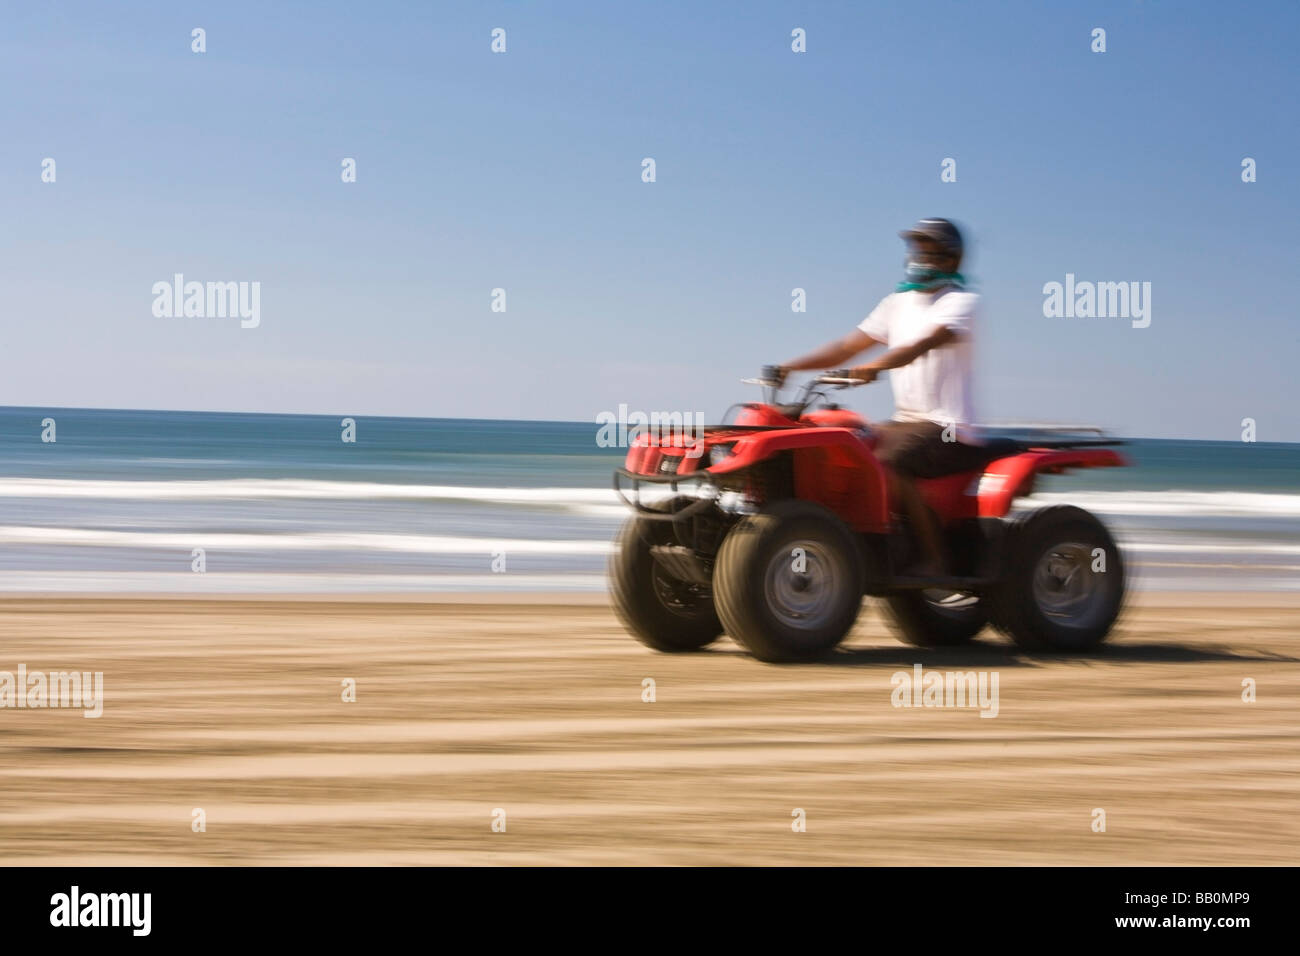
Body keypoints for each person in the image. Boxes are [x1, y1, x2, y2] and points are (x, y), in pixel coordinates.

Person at [776, 217, 989, 576]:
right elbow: (846, 346)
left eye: (928, 249)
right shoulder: (897, 303)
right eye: (916, 247)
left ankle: (934, 558)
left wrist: (874, 368)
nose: (919, 256)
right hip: (905, 422)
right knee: (845, 450)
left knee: (887, 464)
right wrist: (789, 367)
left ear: (951, 259)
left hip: (948, 426)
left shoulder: (960, 303)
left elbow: (921, 345)